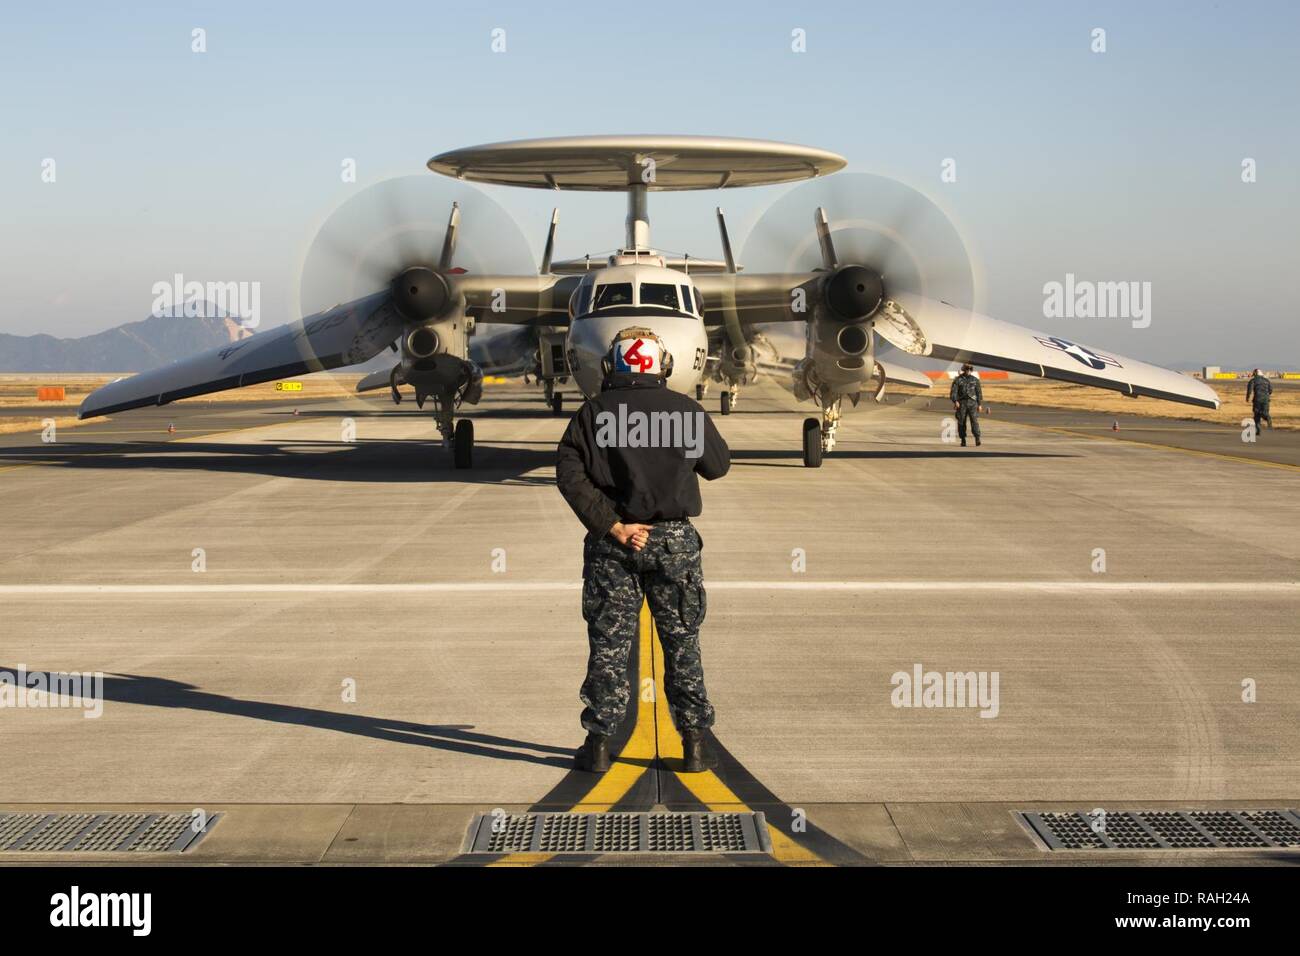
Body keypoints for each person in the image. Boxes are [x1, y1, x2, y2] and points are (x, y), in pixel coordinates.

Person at [555, 327, 730, 774]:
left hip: (613, 543)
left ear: (612, 365)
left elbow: (569, 475)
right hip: (674, 543)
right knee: (682, 643)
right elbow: (717, 466)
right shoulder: (685, 412)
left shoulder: (593, 414)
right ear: (662, 365)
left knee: (608, 645)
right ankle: (694, 744)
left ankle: (597, 745)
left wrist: (612, 525)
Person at [950, 363, 983, 447]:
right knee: (961, 422)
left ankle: (977, 438)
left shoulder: (975, 380)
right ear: (964, 370)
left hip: (973, 404)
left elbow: (979, 393)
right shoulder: (958, 380)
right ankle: (963, 439)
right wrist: (955, 401)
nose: (968, 371)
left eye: (970, 369)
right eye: (967, 369)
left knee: (974, 421)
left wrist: (979, 404)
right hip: (962, 404)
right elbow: (953, 392)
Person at [1245, 368, 1273, 434]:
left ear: (1255, 373)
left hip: (1257, 399)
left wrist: (1247, 398)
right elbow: (1271, 390)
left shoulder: (1253, 381)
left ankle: (1258, 430)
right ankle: (1267, 417)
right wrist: (1266, 395)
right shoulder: (1267, 380)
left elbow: (1249, 390)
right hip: (1266, 399)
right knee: (1265, 411)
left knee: (1256, 414)